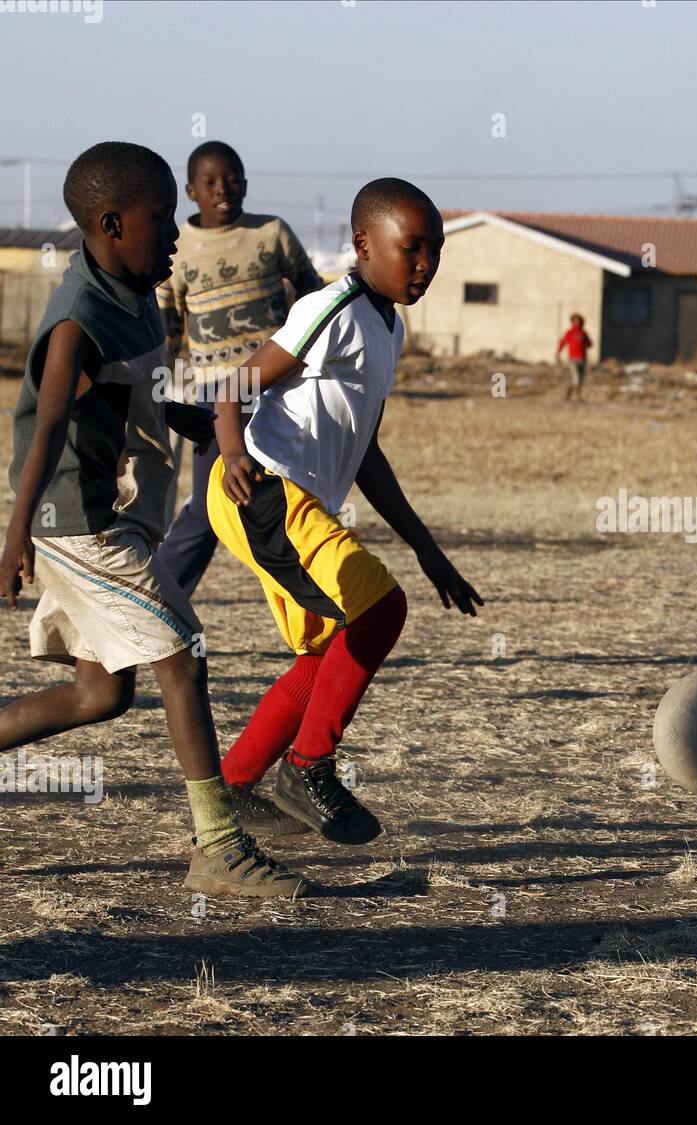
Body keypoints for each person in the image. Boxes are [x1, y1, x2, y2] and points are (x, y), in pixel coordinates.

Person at [0, 142, 306, 897]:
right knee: (183, 654)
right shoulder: (78, 320)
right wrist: (12, 540)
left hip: (121, 513)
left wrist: (196, 423)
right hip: (82, 522)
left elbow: (140, 389)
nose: (175, 233)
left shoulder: (136, 291)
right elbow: (43, 432)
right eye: (160, 218)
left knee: (99, 693)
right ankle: (217, 845)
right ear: (109, 224)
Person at [206, 177, 483, 844]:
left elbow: (367, 452)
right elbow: (234, 385)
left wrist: (426, 546)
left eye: (435, 253)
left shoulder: (390, 328)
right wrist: (234, 451)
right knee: (381, 608)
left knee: (333, 648)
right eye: (411, 248)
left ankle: (233, 789)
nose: (425, 265)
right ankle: (307, 766)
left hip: (295, 500)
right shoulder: (332, 305)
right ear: (363, 244)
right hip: (263, 488)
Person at [155, 140, 323, 598]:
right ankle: (159, 601)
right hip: (215, 395)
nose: (222, 189)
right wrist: (159, 396)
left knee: (293, 498)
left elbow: (314, 298)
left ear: (245, 183)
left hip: (278, 387)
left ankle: (320, 600)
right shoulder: (178, 246)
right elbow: (167, 331)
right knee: (212, 505)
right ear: (191, 191)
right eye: (210, 182)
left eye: (231, 179)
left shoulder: (271, 233)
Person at [557, 312, 592, 401]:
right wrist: (558, 352)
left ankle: (569, 394)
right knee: (576, 379)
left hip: (583, 359)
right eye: (575, 320)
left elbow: (589, 344)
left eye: (579, 320)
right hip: (573, 359)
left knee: (580, 380)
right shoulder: (569, 332)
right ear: (572, 321)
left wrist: (585, 342)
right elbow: (563, 342)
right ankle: (577, 396)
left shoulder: (584, 333)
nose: (577, 322)